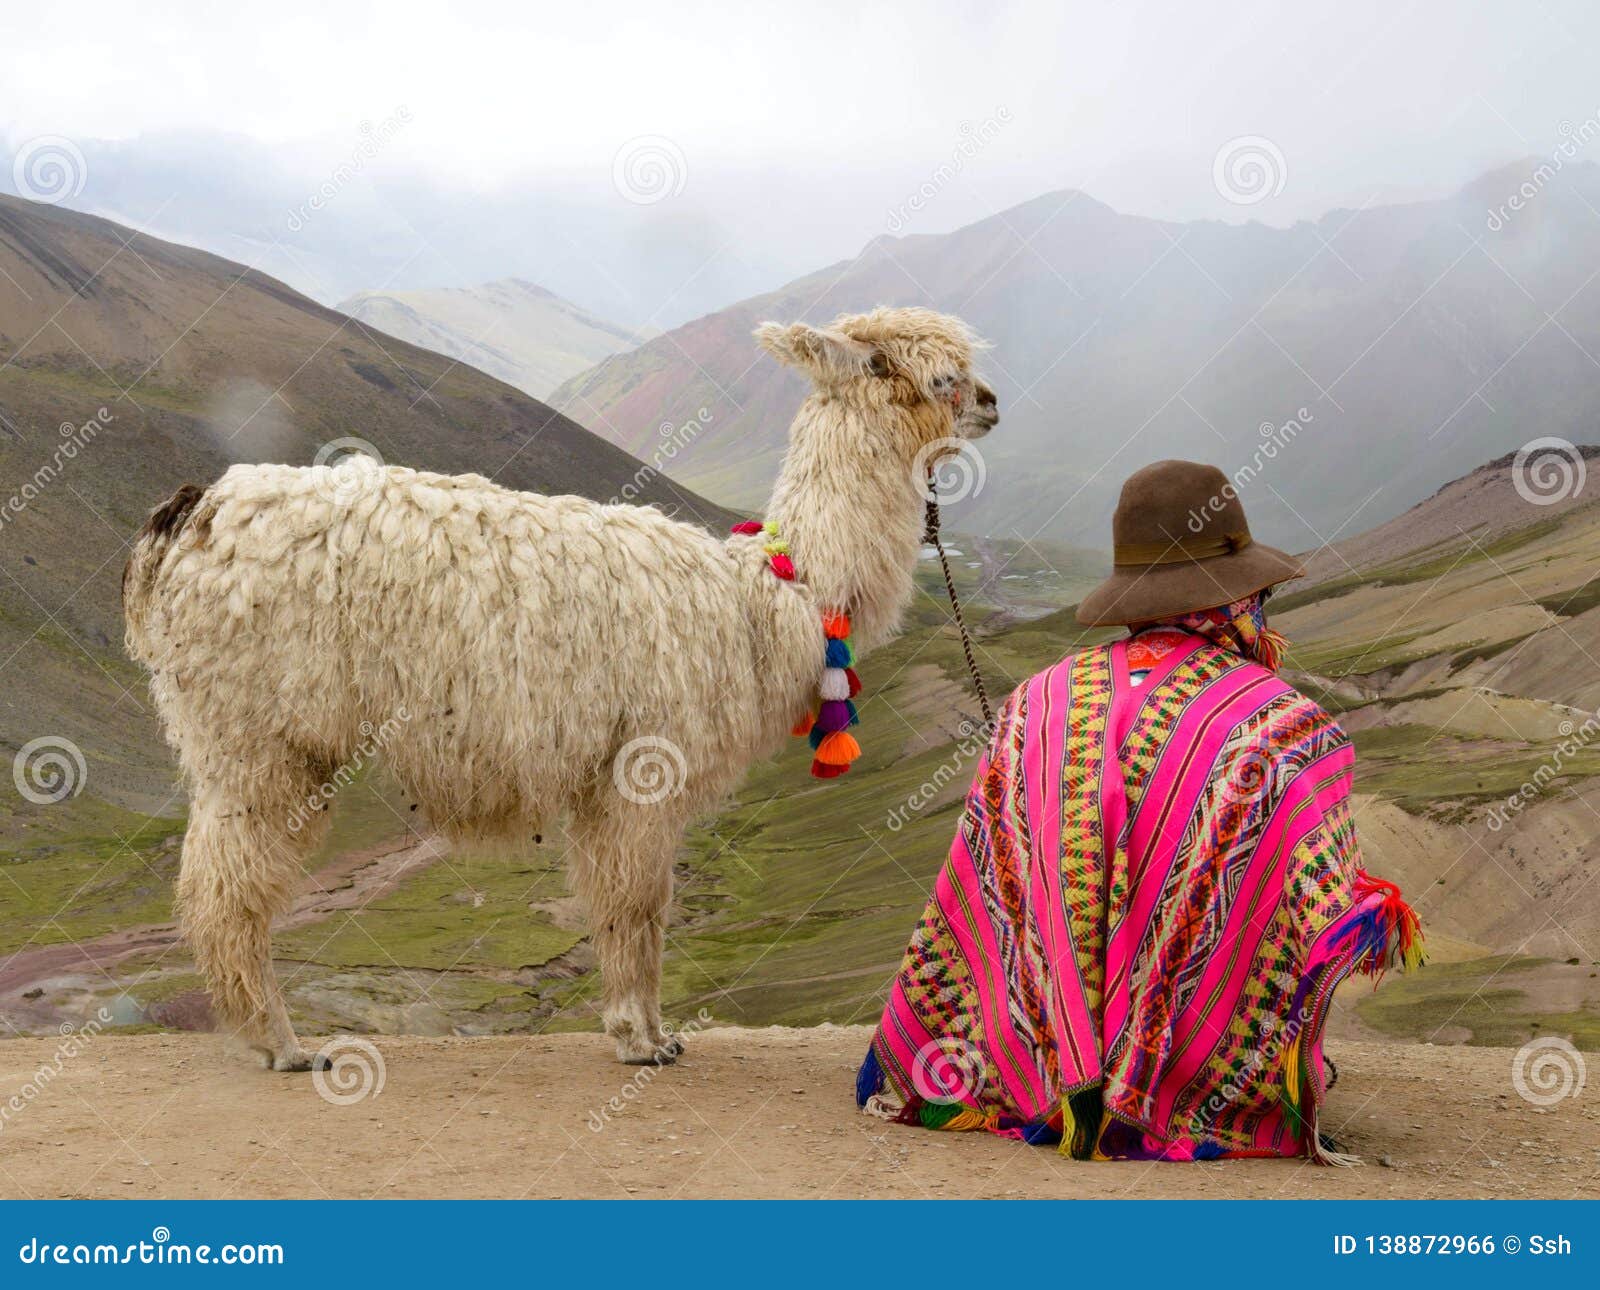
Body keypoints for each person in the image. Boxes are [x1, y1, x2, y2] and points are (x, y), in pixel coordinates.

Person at [856, 459, 1422, 1164]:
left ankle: (1061, 1066)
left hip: (1022, 1068)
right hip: (1204, 1087)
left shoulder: (1036, 701)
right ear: (1241, 598)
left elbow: (984, 883)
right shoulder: (1288, 728)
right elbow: (1326, 913)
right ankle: (1185, 1083)